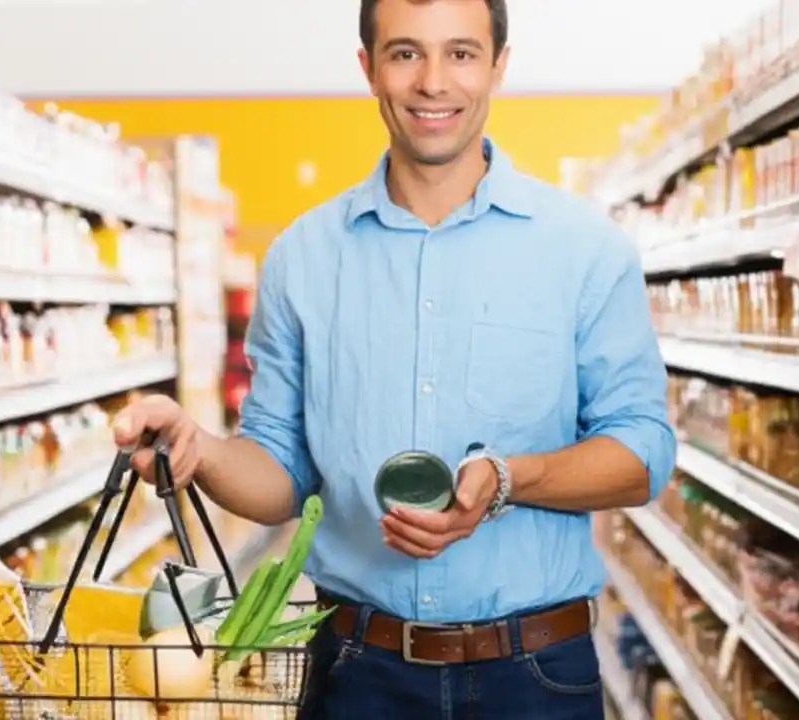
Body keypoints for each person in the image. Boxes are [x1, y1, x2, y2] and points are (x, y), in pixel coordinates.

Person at [111, 0, 676, 717]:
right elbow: (281, 474)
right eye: (406, 53)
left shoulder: (585, 250)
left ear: (499, 65)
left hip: (533, 677)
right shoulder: (303, 259)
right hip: (356, 674)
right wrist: (201, 451)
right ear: (369, 68)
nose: (433, 81)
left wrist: (510, 478)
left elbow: (643, 452)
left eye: (462, 54)